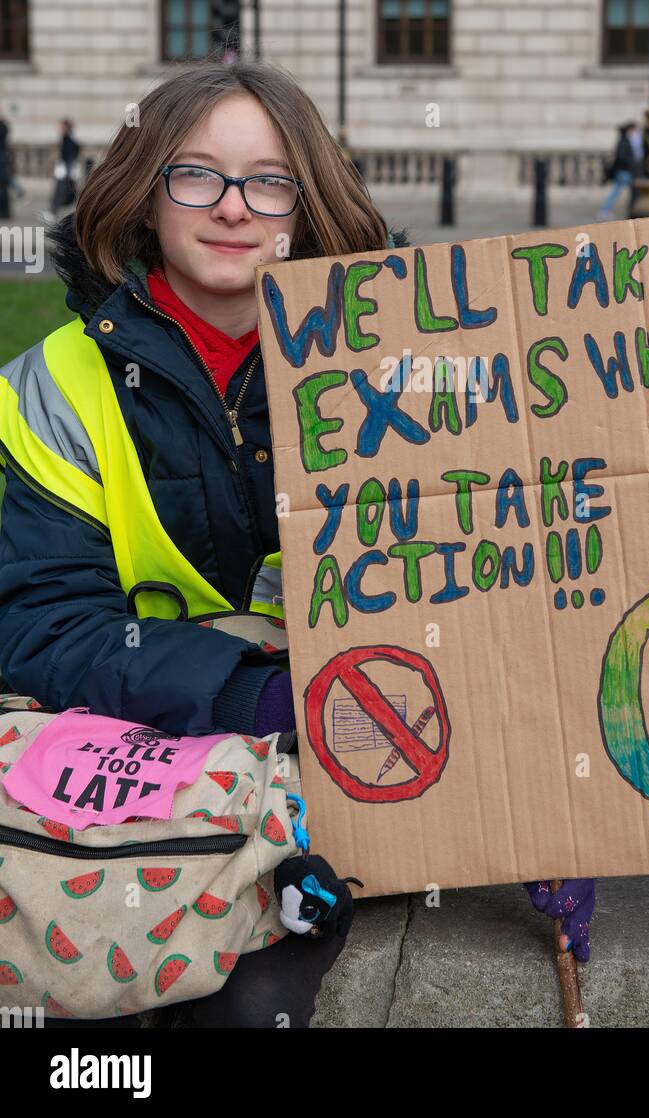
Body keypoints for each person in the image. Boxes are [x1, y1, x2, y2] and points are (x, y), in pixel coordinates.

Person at [0, 61, 395, 1028]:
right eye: (196, 175)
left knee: (252, 1008)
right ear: (145, 198)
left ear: (309, 208)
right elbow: (38, 628)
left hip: (335, 783)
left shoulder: (391, 369)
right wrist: (247, 690)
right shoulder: (52, 384)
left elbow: (480, 598)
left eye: (268, 180)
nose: (232, 208)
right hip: (115, 770)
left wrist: (548, 812)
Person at [598, 120, 643, 221]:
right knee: (617, 191)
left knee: (621, 191)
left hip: (628, 171)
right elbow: (622, 157)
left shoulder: (627, 140)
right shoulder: (624, 141)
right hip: (625, 172)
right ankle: (605, 210)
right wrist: (632, 164)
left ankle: (606, 210)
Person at [50, 117, 81, 218]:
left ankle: (53, 211)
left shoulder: (67, 139)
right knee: (69, 191)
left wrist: (68, 170)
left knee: (62, 191)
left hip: (66, 170)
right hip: (66, 169)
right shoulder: (67, 138)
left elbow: (70, 155)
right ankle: (53, 211)